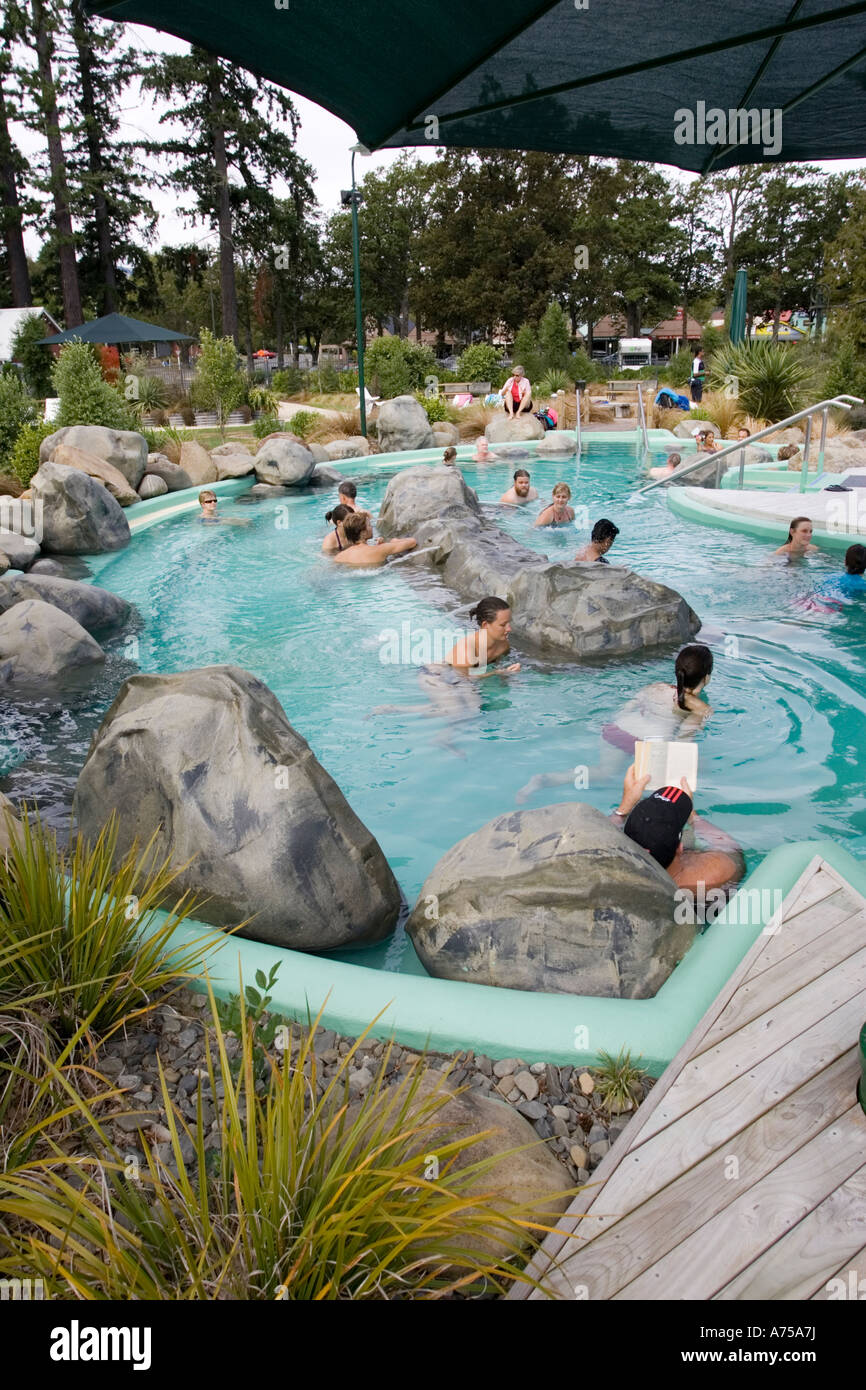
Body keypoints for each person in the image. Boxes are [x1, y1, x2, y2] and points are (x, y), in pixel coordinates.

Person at [515, 643, 713, 804]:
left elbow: (627, 707)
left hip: (617, 729)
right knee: (669, 780)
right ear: (707, 677)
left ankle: (545, 779)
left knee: (603, 772)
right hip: (650, 744)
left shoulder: (656, 687)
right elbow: (684, 741)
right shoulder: (700, 708)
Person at [612, 768, 745, 901]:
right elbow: (731, 848)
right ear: (679, 848)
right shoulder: (712, 875)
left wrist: (623, 809)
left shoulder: (616, 869)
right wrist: (693, 817)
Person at [331, 510, 417, 567]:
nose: (371, 527)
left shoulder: (339, 557)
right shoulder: (380, 550)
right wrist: (393, 541)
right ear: (363, 532)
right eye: (369, 525)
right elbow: (412, 542)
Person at [812, 543, 866, 607]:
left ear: (845, 562)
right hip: (835, 605)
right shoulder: (863, 585)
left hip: (816, 599)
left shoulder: (832, 576)